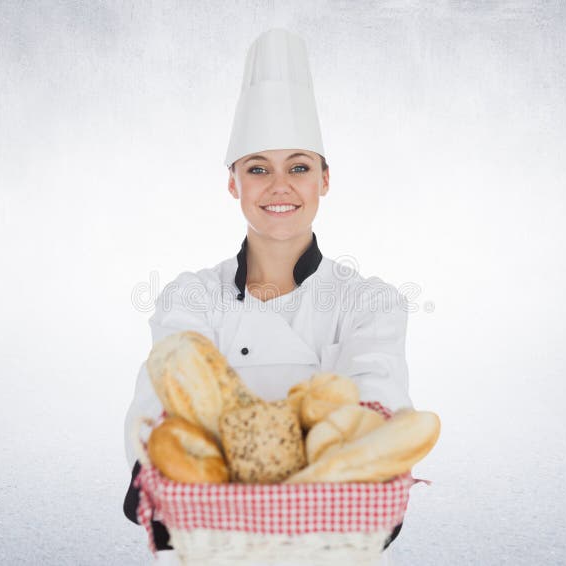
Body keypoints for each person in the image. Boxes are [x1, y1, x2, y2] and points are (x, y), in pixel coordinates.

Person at [123, 28, 415, 565]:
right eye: (257, 168)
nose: (279, 187)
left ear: (325, 180)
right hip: (211, 546)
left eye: (299, 167)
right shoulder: (190, 298)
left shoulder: (370, 304)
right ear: (233, 182)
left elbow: (380, 396)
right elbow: (159, 404)